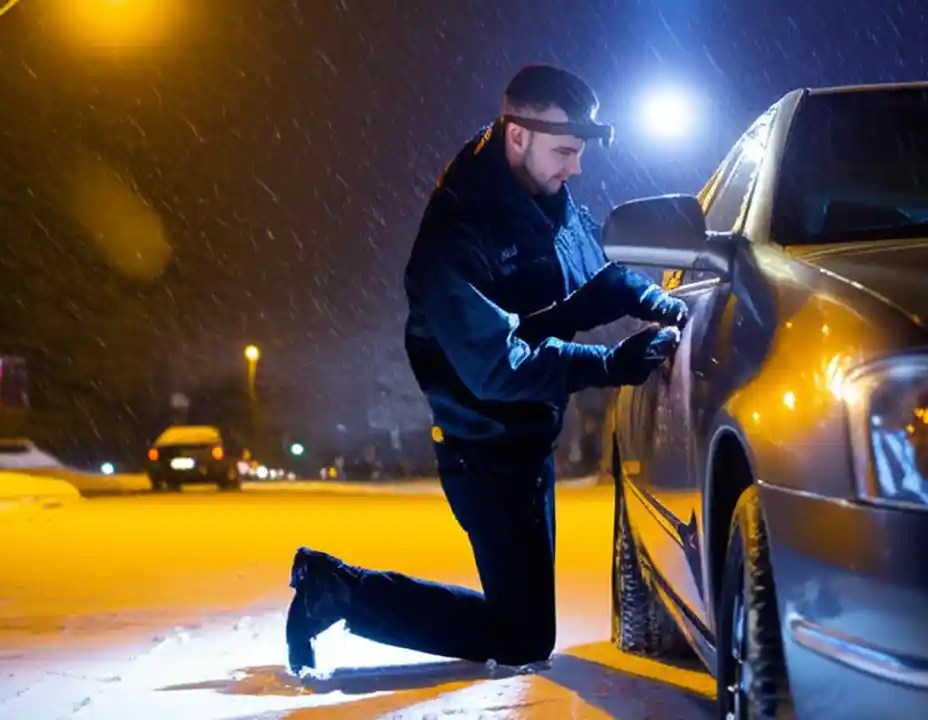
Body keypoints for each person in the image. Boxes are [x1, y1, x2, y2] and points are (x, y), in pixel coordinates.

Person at [284, 64, 687, 674]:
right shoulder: (456, 231)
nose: (575, 168)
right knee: (522, 637)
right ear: (517, 135)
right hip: (483, 447)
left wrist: (643, 297)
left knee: (523, 625)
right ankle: (338, 591)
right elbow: (496, 368)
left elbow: (590, 274)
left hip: (527, 436)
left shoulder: (544, 195)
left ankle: (340, 591)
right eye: (564, 151)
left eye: (578, 152)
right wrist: (609, 363)